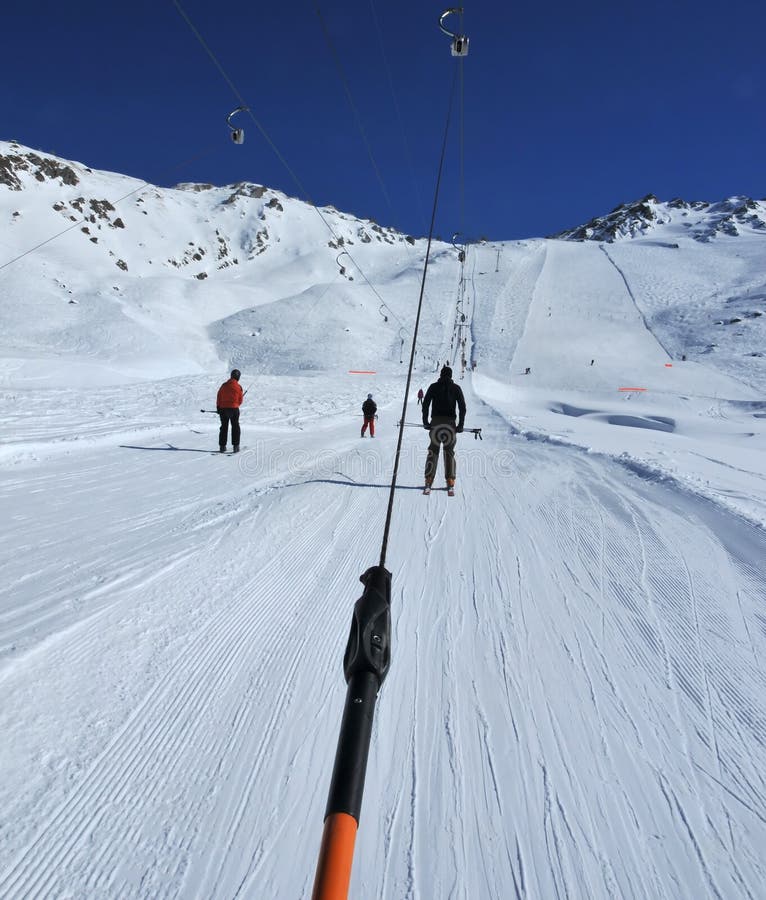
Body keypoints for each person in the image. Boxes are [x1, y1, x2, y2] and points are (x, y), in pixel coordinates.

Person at [422, 365, 466, 490]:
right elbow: (462, 407)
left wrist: (425, 421)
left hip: (436, 423)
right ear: (451, 376)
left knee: (433, 450)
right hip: (450, 424)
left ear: (440, 375)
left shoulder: (433, 387)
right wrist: (460, 425)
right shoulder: (456, 388)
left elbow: (425, 404)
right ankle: (450, 479)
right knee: (449, 451)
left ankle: (429, 478)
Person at [217, 368, 244, 452]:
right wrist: (235, 404)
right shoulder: (239, 387)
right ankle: (236, 447)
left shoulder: (224, 385)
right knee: (235, 427)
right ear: (238, 377)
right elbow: (240, 400)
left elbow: (219, 397)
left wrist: (218, 407)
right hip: (234, 409)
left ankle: (222, 447)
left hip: (223, 410)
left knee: (224, 427)